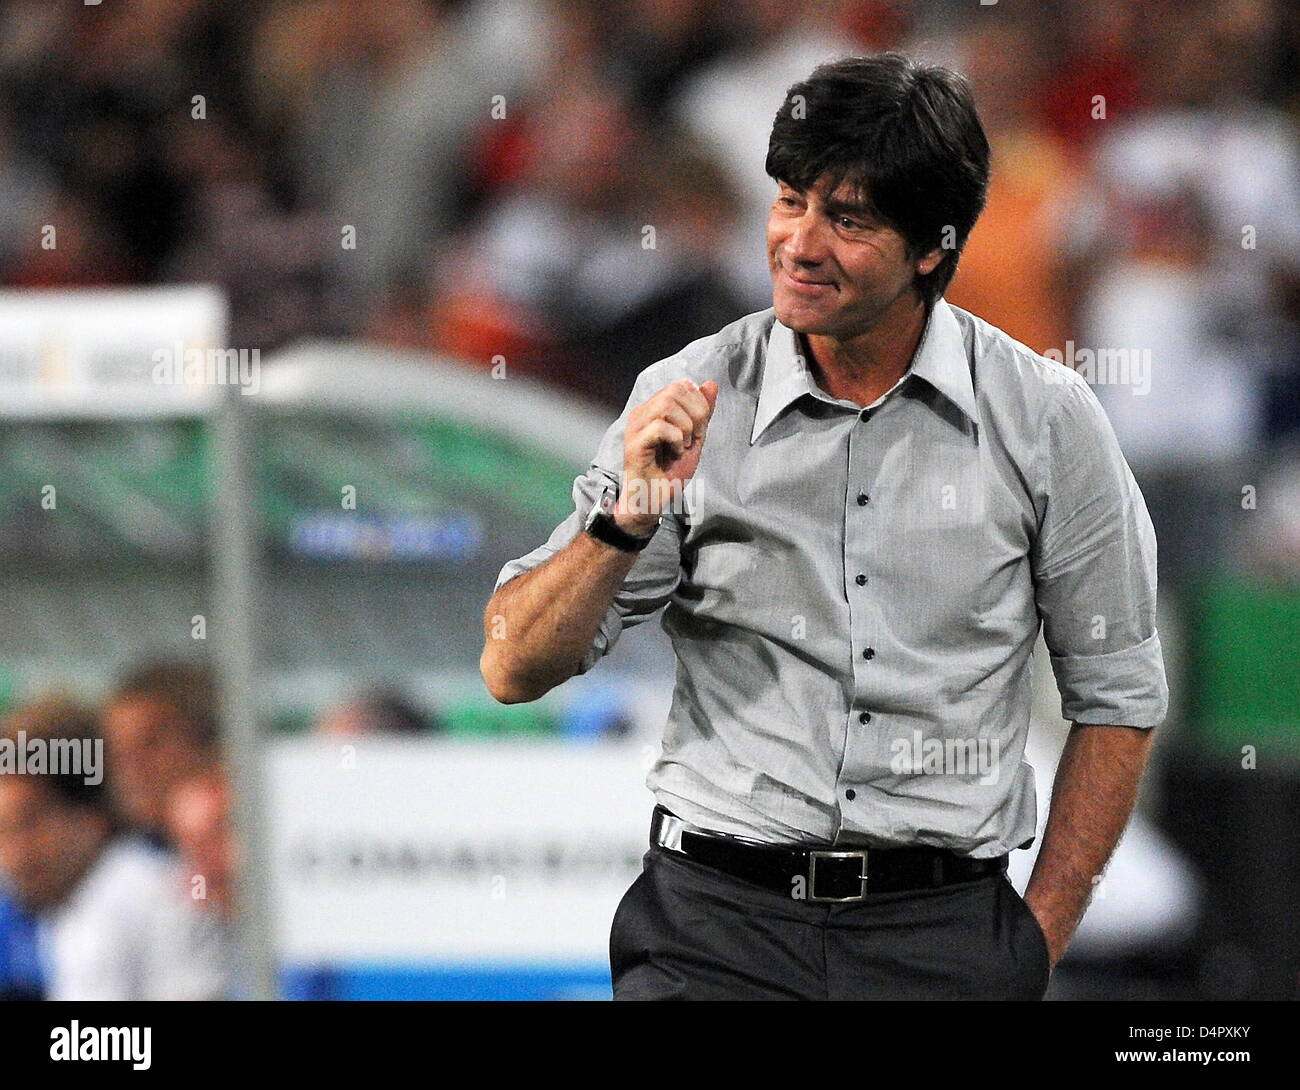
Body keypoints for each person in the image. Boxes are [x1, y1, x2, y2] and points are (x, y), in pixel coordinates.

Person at [480, 52, 1168, 1001]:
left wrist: (1031, 946)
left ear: (933, 246)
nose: (799, 243)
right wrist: (623, 519)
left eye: (846, 219)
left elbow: (1117, 698)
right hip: (711, 931)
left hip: (939, 937)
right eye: (790, 200)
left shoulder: (1049, 422)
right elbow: (512, 666)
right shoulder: (686, 395)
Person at [0, 698, 230, 1000]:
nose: (14, 855)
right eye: (2, 830)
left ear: (91, 817)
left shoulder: (158, 896)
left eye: (29, 824)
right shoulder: (63, 911)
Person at [102, 660, 220, 847]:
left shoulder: (260, 841)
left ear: (205, 743)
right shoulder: (125, 864)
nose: (131, 767)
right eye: (118, 753)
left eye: (150, 744)